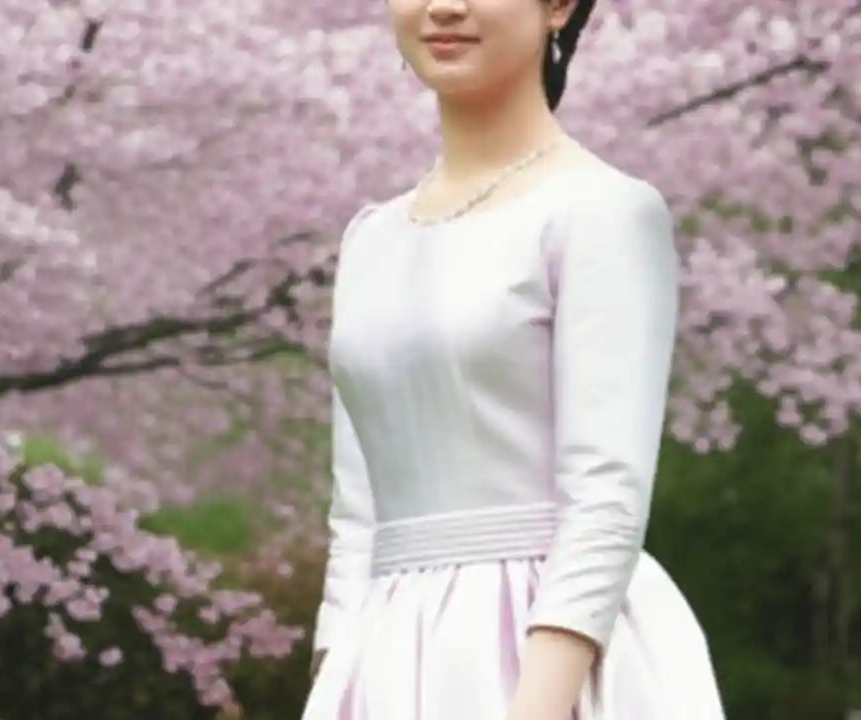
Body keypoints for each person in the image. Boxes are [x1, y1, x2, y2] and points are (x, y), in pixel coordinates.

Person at [301, 0, 727, 717]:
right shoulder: (369, 238)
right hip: (387, 653)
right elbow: (356, 510)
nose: (444, 7)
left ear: (558, 5)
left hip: (552, 653)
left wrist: (538, 704)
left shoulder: (604, 211)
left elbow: (605, 496)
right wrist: (336, 670)